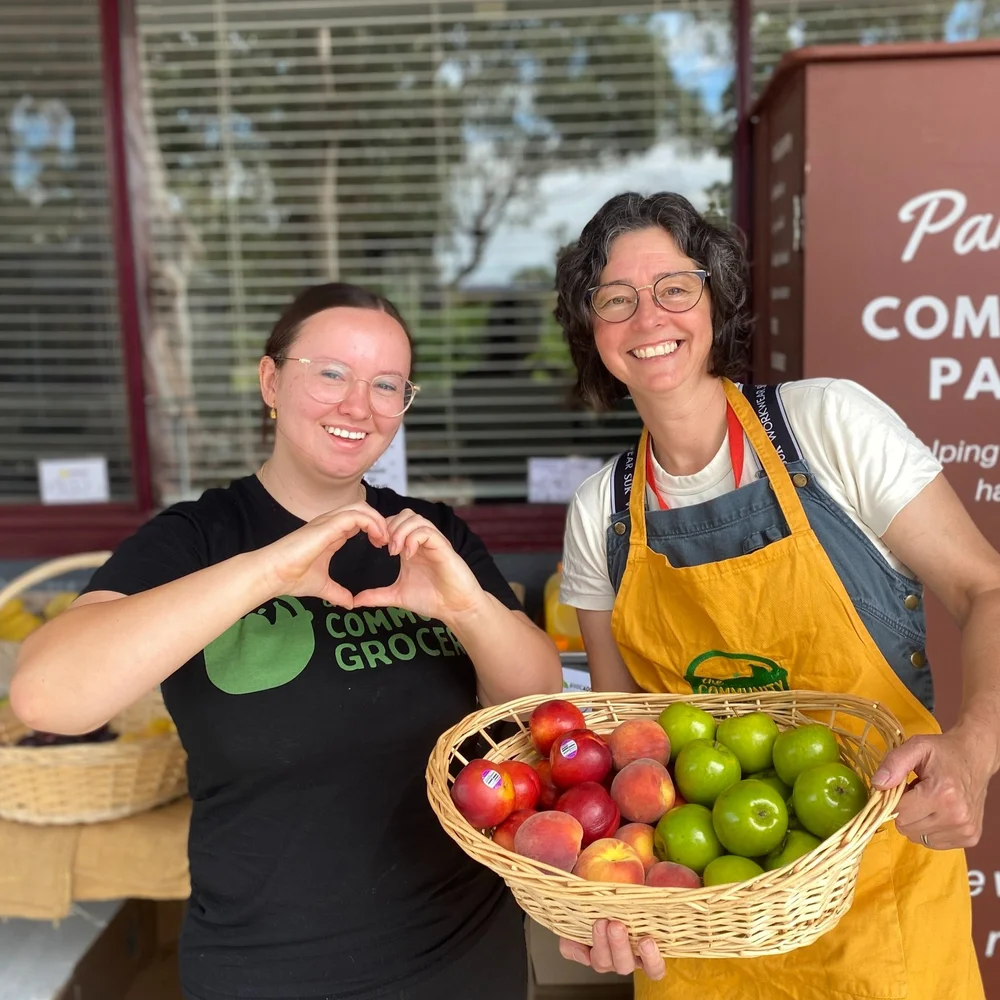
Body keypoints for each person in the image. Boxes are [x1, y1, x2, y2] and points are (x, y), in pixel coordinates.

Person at [11, 282, 563, 1000]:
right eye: (331, 373)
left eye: (386, 385)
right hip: (269, 969)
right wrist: (268, 570)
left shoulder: (429, 536)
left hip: (463, 955)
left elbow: (538, 701)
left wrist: (467, 609)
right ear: (271, 381)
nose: (358, 405)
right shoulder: (199, 538)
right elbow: (47, 697)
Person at [551, 192, 1000, 1000]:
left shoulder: (828, 426)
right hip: (699, 926)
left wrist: (974, 748)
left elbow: (985, 588)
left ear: (716, 299)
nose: (648, 316)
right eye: (615, 298)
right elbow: (626, 742)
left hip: (880, 900)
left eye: (674, 288)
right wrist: (604, 901)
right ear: (592, 329)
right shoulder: (598, 513)